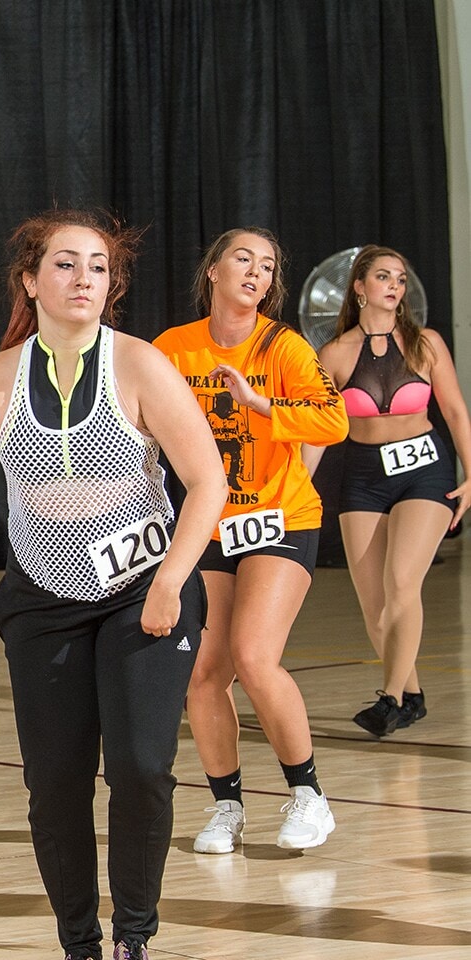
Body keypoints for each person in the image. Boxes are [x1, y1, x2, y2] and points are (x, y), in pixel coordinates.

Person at [0, 210, 225, 960]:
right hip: (43, 603)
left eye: (99, 267)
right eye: (65, 264)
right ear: (30, 279)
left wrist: (171, 581)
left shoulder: (142, 365)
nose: (84, 278)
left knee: (143, 770)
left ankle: (133, 938)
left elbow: (207, 483)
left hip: (145, 593)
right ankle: (78, 943)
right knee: (55, 788)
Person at [153, 228, 349, 857]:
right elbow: (132, 417)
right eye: (244, 259)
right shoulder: (174, 349)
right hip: (209, 524)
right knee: (204, 675)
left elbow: (334, 418)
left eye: (268, 266)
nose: (257, 273)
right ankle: (227, 808)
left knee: (254, 657)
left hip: (281, 517)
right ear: (212, 270)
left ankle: (309, 796)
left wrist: (261, 403)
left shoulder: (283, 345)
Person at [307, 245, 471, 736]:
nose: (395, 285)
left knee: (403, 583)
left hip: (426, 471)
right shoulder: (333, 354)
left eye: (400, 277)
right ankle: (413, 694)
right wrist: (294, 486)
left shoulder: (427, 345)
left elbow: (456, 412)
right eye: (383, 276)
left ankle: (391, 698)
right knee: (375, 605)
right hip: (363, 477)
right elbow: (316, 430)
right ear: (359, 287)